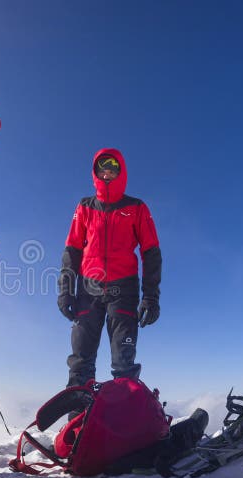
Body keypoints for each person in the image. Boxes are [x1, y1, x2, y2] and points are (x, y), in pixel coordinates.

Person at [57, 148, 162, 392]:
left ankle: (126, 426)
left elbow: (151, 253)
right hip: (87, 289)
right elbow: (71, 251)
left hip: (123, 290)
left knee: (123, 364)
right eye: (101, 167)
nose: (106, 172)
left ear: (120, 170)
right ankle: (79, 426)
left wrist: (150, 297)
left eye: (112, 166)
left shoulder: (136, 207)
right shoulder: (85, 206)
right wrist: (65, 291)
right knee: (80, 364)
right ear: (95, 172)